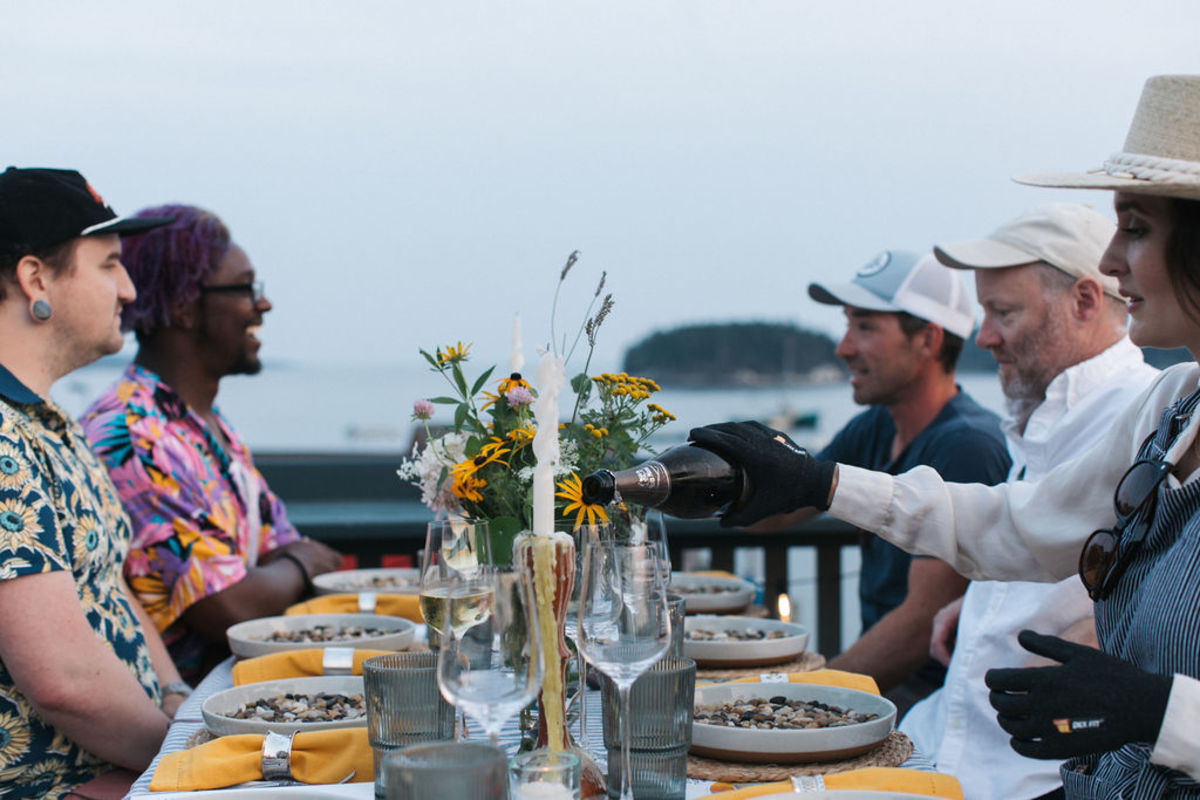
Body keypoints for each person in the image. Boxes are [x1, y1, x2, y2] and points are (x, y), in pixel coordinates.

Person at [690, 74, 1200, 795]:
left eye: (1138, 228)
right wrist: (823, 482)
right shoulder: (1175, 405)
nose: (1113, 260)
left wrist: (1161, 711)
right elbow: (1022, 527)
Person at [899, 202, 1158, 800]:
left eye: (1003, 312)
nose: (983, 336)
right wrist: (984, 605)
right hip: (948, 746)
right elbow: (1044, 544)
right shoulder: (1049, 414)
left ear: (1087, 301)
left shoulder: (1146, 416)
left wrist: (1101, 632)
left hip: (1034, 777)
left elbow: (1170, 591)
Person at [80, 205, 342, 684]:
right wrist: (298, 565)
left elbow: (279, 549)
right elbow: (231, 607)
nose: (263, 306)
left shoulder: (206, 425)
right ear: (183, 306)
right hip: (184, 717)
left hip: (246, 689)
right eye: (246, 288)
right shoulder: (131, 436)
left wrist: (289, 565)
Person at [0, 167, 188, 798]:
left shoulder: (46, 420)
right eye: (109, 264)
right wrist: (191, 759)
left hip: (121, 766)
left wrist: (177, 699)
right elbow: (64, 680)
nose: (130, 290)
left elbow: (110, 586)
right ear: (35, 280)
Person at [756, 249, 1011, 712]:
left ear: (928, 341)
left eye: (865, 326)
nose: (844, 347)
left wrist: (796, 699)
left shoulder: (967, 446)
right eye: (848, 324)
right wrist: (676, 488)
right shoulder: (877, 426)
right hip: (887, 690)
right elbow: (781, 509)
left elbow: (918, 626)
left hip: (934, 702)